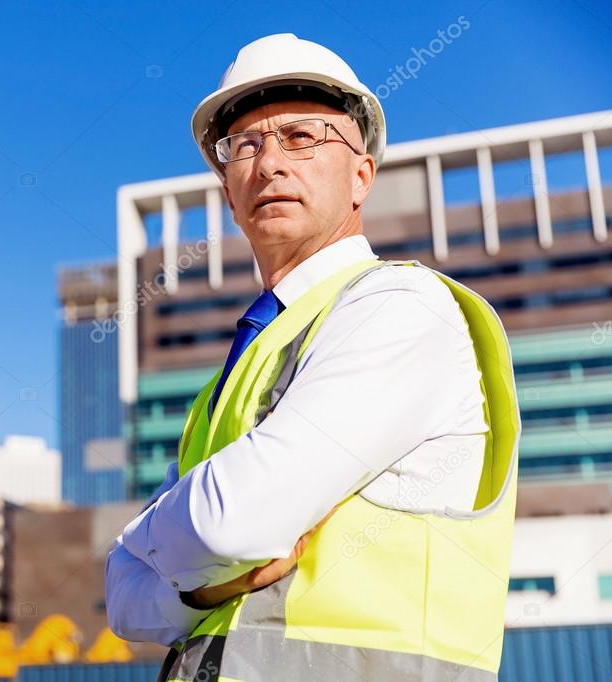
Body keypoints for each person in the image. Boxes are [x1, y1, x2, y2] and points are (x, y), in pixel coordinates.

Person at [105, 33, 520, 681]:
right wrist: (197, 589)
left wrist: (153, 544)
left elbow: (228, 524)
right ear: (226, 188)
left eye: (301, 137)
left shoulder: (400, 307)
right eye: (243, 144)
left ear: (360, 176)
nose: (268, 162)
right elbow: (123, 604)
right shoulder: (240, 370)